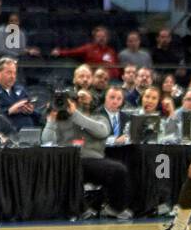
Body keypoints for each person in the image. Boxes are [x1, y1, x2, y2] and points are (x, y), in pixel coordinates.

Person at [42, 90, 132, 220]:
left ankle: (114, 208)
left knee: (119, 170)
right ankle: (81, 209)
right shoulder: (59, 121)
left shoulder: (98, 117)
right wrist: (51, 120)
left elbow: (102, 132)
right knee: (69, 170)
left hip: (93, 160)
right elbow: (46, 141)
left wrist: (75, 114)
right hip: (69, 161)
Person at [53, 25, 121, 79]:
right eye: (99, 36)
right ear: (94, 38)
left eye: (103, 36)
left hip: (108, 79)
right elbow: (72, 52)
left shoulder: (111, 51)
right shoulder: (88, 48)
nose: (101, 38)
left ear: (107, 38)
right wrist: (59, 52)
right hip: (92, 78)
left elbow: (116, 67)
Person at [0, 56, 38, 129]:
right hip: (6, 133)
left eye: (14, 73)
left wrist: (30, 110)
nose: (13, 76)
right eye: (9, 73)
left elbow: (32, 110)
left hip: (28, 131)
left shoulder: (20, 88)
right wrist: (9, 111)